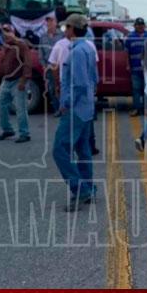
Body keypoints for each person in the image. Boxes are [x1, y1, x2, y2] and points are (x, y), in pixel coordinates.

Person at [54, 14, 98, 212]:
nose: (65, 31)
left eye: (66, 27)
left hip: (76, 108)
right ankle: (88, 187)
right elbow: (94, 78)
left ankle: (80, 189)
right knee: (83, 149)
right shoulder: (87, 47)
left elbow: (79, 83)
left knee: (60, 150)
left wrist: (66, 103)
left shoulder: (78, 51)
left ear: (72, 29)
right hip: (86, 106)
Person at [0, 23, 33, 143]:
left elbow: (27, 62)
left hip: (18, 80)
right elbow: (3, 64)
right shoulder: (7, 47)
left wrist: (24, 78)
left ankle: (24, 133)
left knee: (20, 108)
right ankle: (7, 130)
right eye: (3, 32)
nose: (5, 35)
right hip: (7, 81)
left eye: (8, 31)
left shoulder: (21, 45)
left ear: (13, 32)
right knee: (0, 104)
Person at [38, 15, 64, 112]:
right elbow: (40, 52)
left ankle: (63, 108)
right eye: (48, 21)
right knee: (51, 89)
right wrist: (44, 65)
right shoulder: (42, 37)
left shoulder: (61, 35)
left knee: (62, 88)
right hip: (49, 67)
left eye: (52, 21)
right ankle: (57, 109)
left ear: (56, 22)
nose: (50, 23)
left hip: (60, 67)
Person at [125, 18, 147, 116]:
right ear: (135, 26)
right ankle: (136, 109)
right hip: (135, 68)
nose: (140, 26)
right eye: (138, 25)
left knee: (146, 89)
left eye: (141, 24)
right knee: (136, 89)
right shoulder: (130, 37)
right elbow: (126, 52)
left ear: (144, 25)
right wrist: (127, 64)